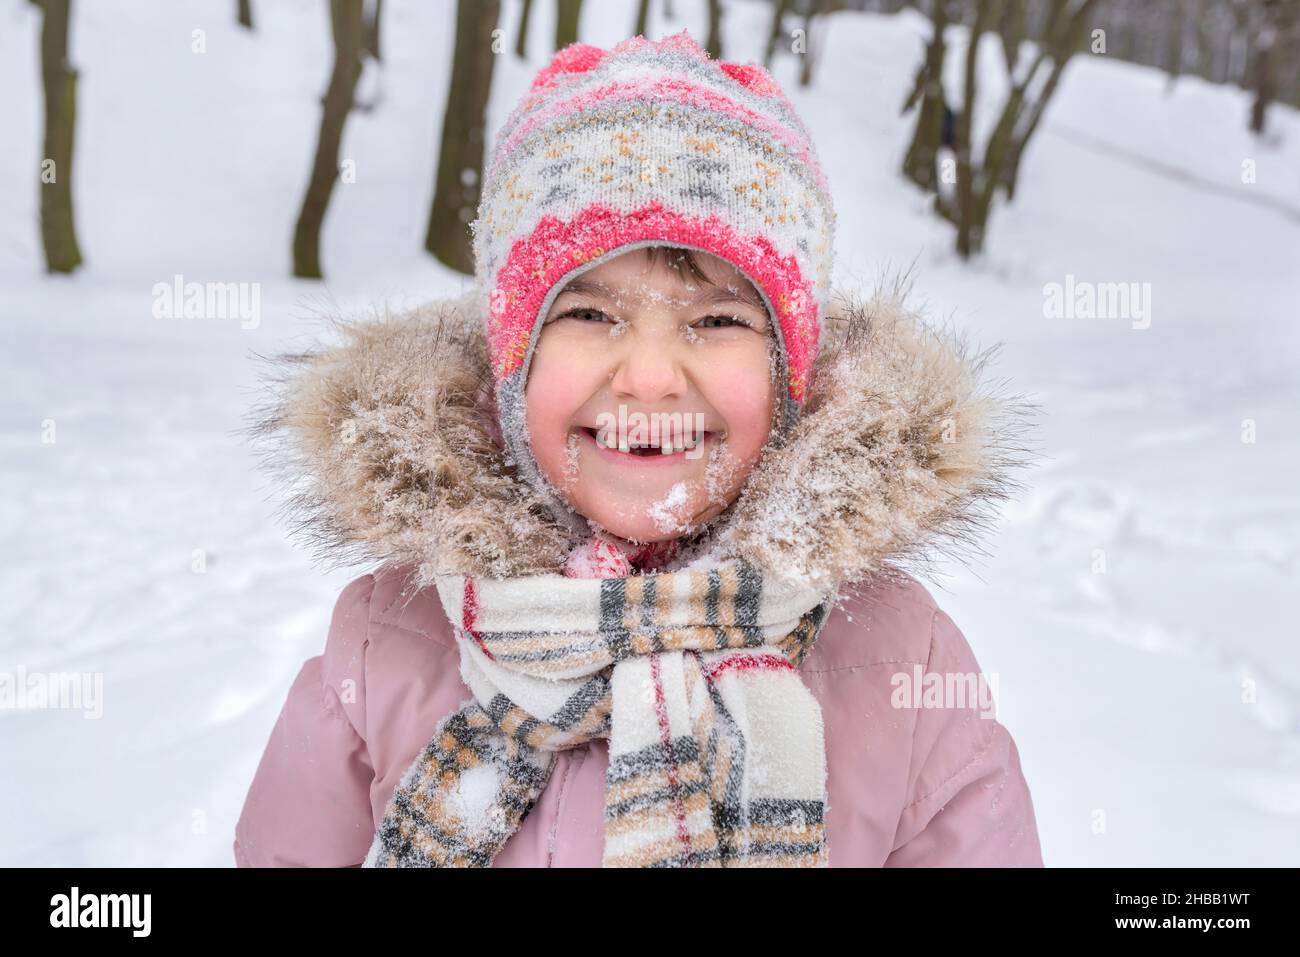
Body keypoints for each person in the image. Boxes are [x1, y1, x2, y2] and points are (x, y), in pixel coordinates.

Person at [234, 31, 1042, 868]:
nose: (650, 377)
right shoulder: (388, 640)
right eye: (590, 315)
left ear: (788, 377)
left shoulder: (904, 664)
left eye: (717, 319)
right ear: (512, 363)